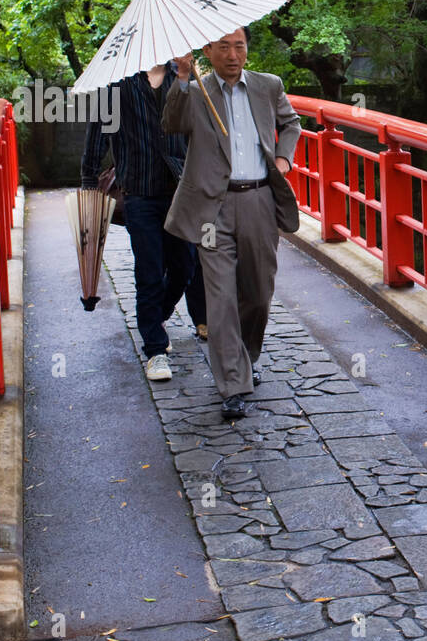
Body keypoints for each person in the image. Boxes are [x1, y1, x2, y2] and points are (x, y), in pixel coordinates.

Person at [163, 27, 301, 419]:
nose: (232, 54)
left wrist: (283, 160)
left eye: (238, 45)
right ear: (207, 50)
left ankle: (245, 357)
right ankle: (232, 385)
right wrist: (182, 77)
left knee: (257, 293)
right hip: (213, 207)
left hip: (259, 198)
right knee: (220, 298)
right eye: (222, 47)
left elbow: (291, 124)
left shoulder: (267, 86)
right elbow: (172, 123)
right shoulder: (196, 91)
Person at [80, 62, 207, 382]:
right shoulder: (115, 85)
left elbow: (201, 130)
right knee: (149, 270)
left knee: (185, 266)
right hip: (139, 190)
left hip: (181, 188)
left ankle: (156, 315)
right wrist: (88, 185)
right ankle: (155, 349)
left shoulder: (186, 78)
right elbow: (97, 135)